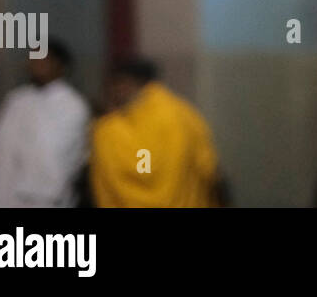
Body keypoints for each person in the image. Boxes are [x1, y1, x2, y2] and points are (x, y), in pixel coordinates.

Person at [89, 57, 221, 207]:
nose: (109, 93)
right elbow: (210, 169)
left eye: (111, 86)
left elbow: (143, 169)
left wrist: (106, 127)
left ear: (124, 83)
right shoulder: (186, 112)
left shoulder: (137, 119)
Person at [0, 38, 90, 207]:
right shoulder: (18, 99)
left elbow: (57, 153)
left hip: (42, 197)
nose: (34, 63)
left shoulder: (71, 104)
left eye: (42, 58)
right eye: (32, 58)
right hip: (3, 189)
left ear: (59, 64)